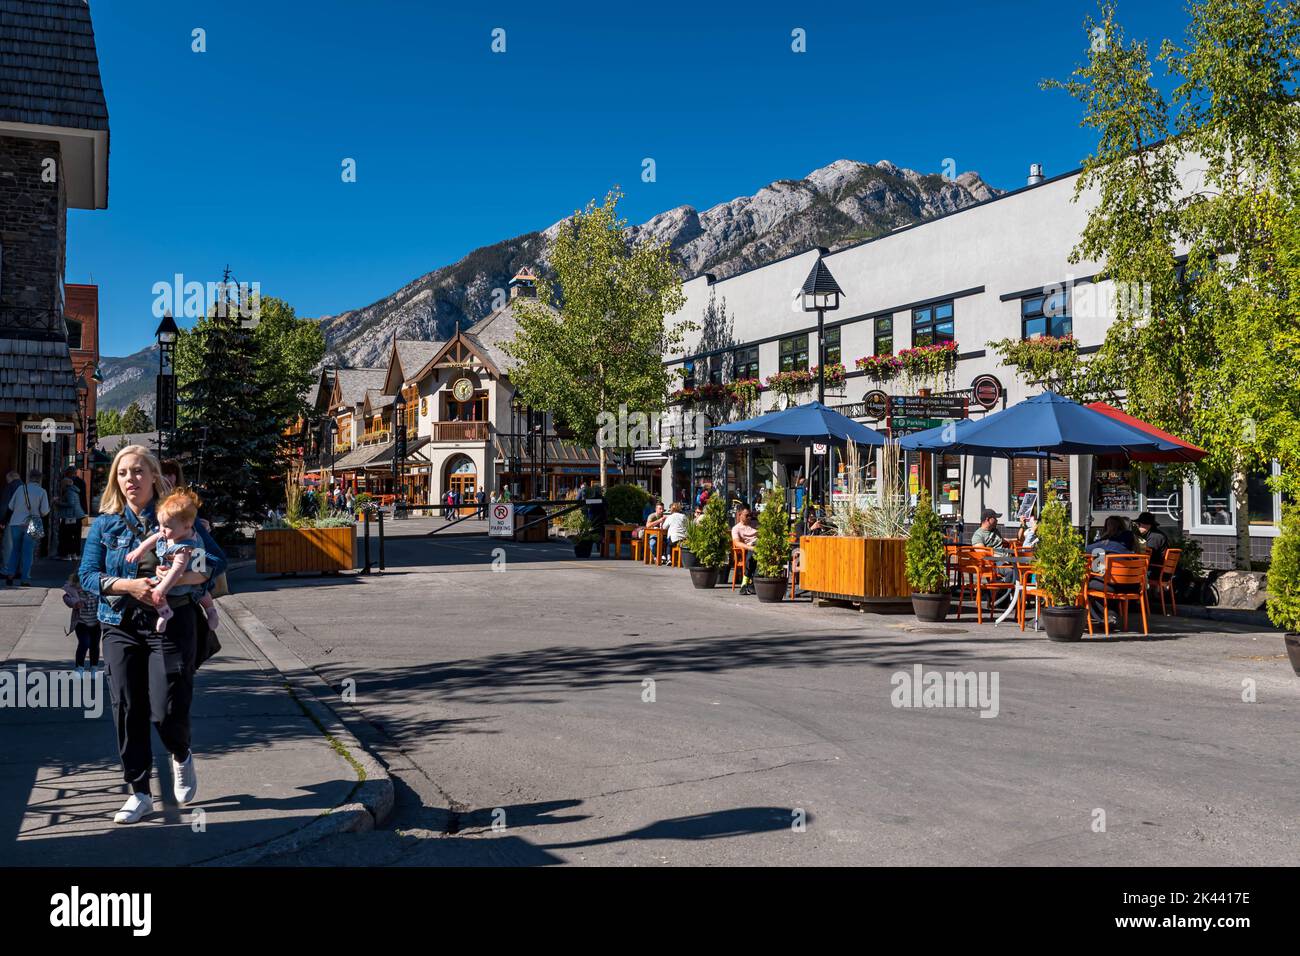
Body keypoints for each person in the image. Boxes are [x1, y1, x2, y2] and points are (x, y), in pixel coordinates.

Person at [79, 444, 226, 824]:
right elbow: (87, 576)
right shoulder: (105, 524)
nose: (131, 479)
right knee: (127, 707)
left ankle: (181, 754)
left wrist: (190, 576)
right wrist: (129, 586)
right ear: (116, 480)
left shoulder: (175, 515)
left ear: (154, 476)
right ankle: (140, 791)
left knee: (167, 708)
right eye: (124, 473)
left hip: (172, 621)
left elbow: (216, 560)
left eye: (139, 471)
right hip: (120, 623)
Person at [126, 489, 220, 633]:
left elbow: (179, 570)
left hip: (186, 578)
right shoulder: (174, 531)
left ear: (187, 526)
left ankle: (211, 611)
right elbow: (155, 538)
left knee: (201, 592)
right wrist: (139, 550)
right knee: (197, 591)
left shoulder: (185, 547)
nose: (162, 530)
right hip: (180, 574)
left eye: (167, 526)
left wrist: (161, 588)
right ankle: (165, 613)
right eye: (161, 524)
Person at [3, 469, 51, 587]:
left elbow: (10, 506)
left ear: (29, 478)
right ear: (39, 479)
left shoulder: (20, 489)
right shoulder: (42, 491)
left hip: (16, 522)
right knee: (28, 552)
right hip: (33, 524)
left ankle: (10, 574)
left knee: (15, 549)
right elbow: (44, 512)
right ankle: (25, 579)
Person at [62, 571, 101, 674]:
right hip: (81, 622)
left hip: (96, 623)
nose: (82, 587)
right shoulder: (74, 592)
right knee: (84, 643)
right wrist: (74, 603)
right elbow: (66, 598)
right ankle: (79, 667)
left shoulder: (96, 591)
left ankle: (94, 667)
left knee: (94, 645)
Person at [55, 476, 87, 559]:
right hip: (76, 516)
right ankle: (74, 554)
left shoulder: (69, 492)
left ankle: (67, 554)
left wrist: (58, 503)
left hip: (71, 516)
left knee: (66, 535)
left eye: (61, 484)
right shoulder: (74, 491)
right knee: (75, 536)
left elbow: (71, 504)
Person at [731, 505, 759, 595]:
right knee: (752, 552)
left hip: (761, 545)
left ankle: (746, 581)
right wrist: (750, 547)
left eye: (750, 515)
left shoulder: (755, 523)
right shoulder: (736, 528)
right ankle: (750, 582)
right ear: (740, 515)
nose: (749, 517)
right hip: (750, 548)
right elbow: (737, 543)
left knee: (755, 551)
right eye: (747, 515)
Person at [1134, 512, 1169, 582]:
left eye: (1139, 524)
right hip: (1160, 569)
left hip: (1156, 571)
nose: (1138, 526)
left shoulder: (1154, 537)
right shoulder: (1155, 535)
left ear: (1147, 525)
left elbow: (1147, 555)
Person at [0, 469, 20, 573]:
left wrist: (2, 520)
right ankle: (19, 569)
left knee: (8, 545)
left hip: (12, 520)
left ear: (11, 477)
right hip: (26, 522)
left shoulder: (10, 487)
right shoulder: (24, 487)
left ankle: (6, 569)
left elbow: (5, 505)